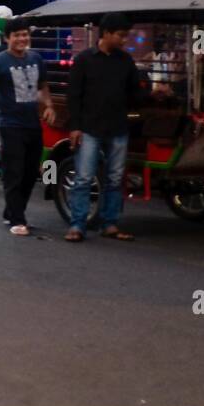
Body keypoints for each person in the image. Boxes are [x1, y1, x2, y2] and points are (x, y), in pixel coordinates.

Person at [65, 13, 147, 243]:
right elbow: (74, 96)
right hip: (89, 128)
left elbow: (135, 93)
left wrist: (153, 94)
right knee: (84, 178)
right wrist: (75, 127)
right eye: (121, 35)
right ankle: (77, 225)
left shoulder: (126, 61)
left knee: (115, 178)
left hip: (118, 127)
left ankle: (110, 223)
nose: (124, 40)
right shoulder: (84, 60)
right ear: (107, 33)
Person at [0, 19, 55, 236]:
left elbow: (43, 87)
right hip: (9, 125)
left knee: (31, 172)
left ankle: (12, 210)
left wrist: (49, 106)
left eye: (25, 34)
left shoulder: (36, 59)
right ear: (7, 38)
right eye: (17, 35)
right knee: (14, 172)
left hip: (33, 124)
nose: (22, 39)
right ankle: (18, 220)